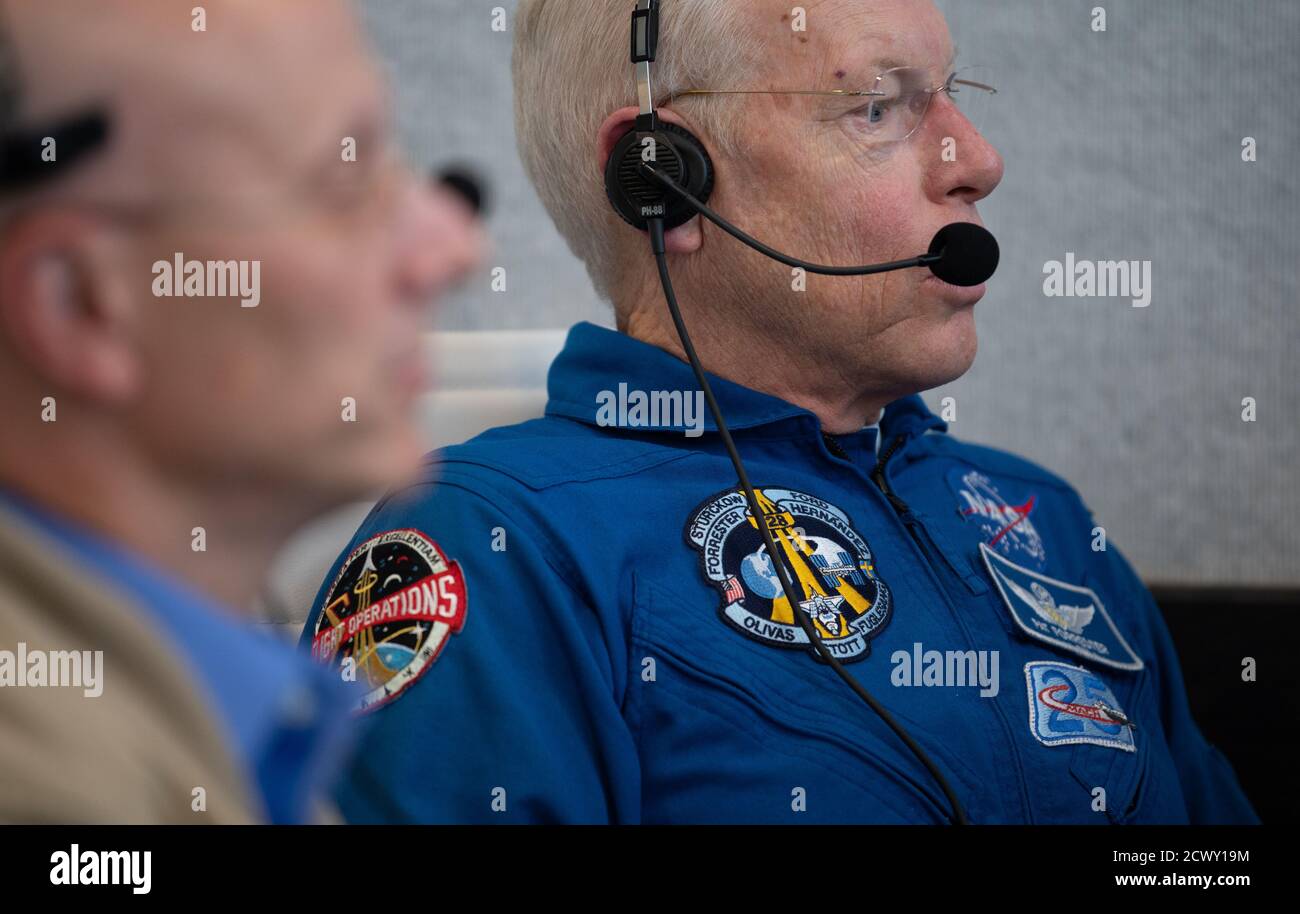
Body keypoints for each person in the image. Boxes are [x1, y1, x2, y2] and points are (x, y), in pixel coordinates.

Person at [303, 0, 1258, 824]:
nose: (979, 161)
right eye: (878, 106)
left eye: (956, 97)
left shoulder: (1040, 517)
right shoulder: (494, 542)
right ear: (663, 182)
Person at [0, 0, 483, 823]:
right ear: (79, 303)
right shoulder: (62, 801)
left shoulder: (189, 732)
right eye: (343, 182)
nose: (455, 249)